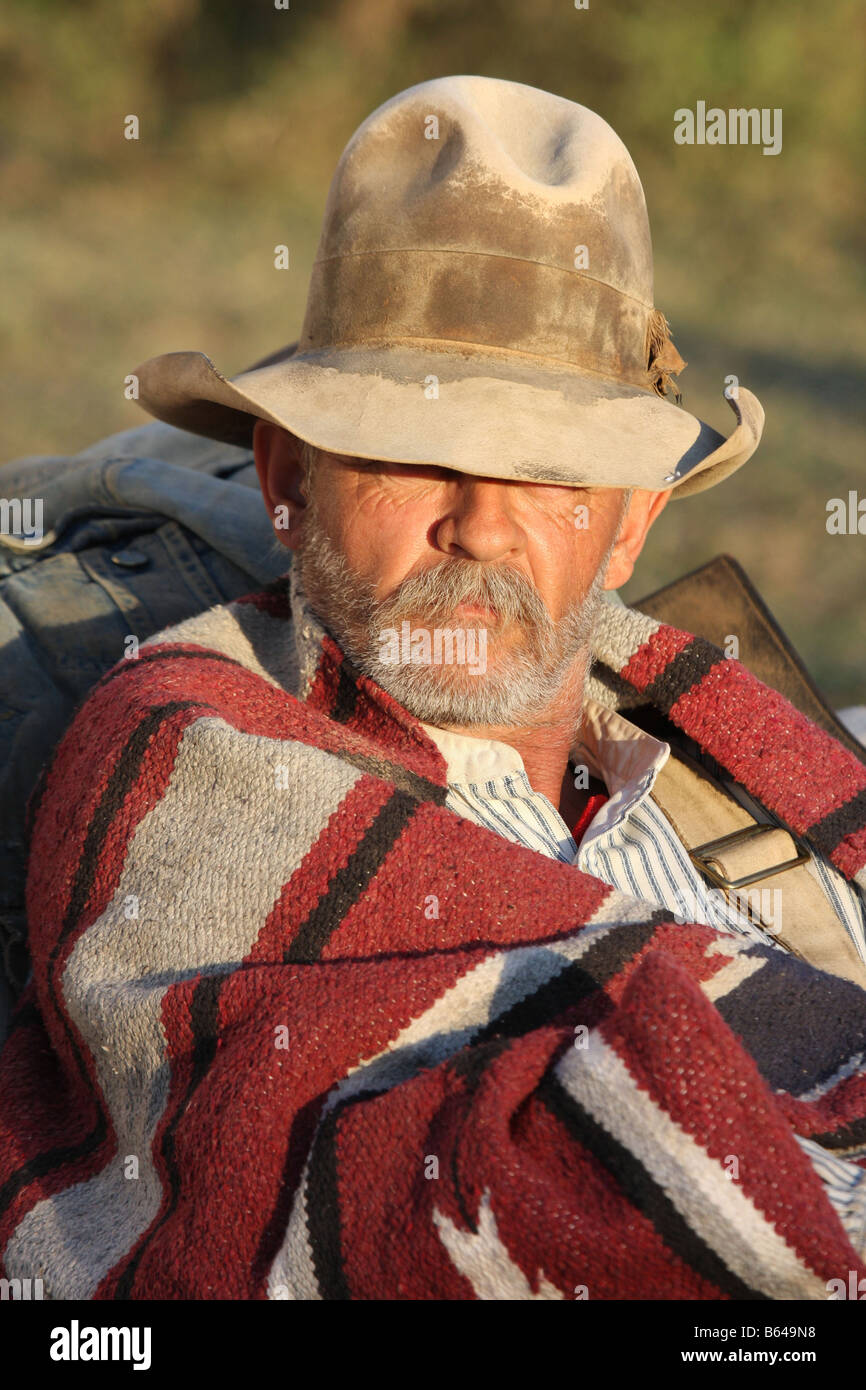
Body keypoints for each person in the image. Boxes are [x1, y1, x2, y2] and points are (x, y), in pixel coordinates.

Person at [1, 75, 865, 1301]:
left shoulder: (733, 756)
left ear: (627, 530)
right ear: (286, 478)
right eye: (412, 456)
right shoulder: (191, 771)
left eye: (547, 469)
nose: (479, 527)